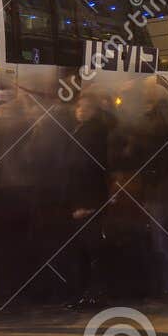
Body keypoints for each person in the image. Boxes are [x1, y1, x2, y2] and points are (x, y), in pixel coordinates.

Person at [60, 90, 115, 308]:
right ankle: (90, 293)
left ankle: (92, 294)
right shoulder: (85, 130)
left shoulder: (92, 133)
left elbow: (84, 169)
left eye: (85, 108)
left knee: (89, 248)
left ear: (94, 111)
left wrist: (83, 204)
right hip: (88, 198)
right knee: (88, 248)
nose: (80, 111)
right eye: (79, 107)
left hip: (87, 199)